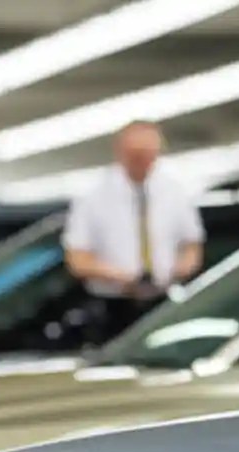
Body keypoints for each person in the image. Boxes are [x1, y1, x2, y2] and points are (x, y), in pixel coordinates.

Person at [62, 120, 204, 343]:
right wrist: (120, 276)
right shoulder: (92, 197)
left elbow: (192, 244)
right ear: (120, 152)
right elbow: (77, 258)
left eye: (149, 154)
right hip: (112, 304)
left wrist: (179, 269)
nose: (144, 161)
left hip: (162, 299)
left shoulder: (174, 192)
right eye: (136, 154)